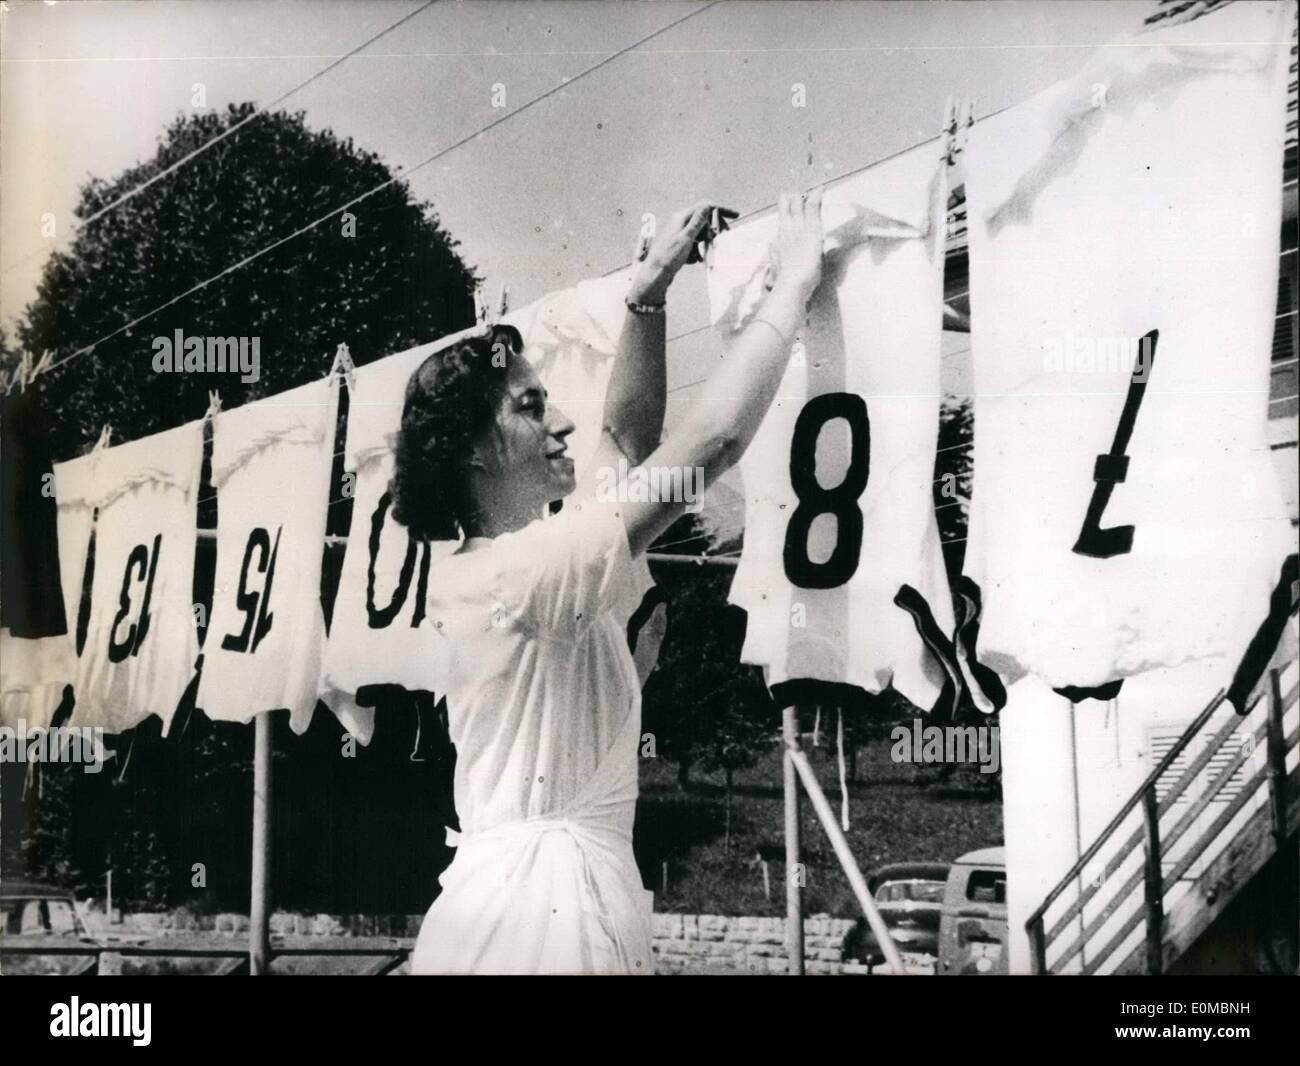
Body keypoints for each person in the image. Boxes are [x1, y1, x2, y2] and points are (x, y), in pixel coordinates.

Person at [395, 190, 826, 974]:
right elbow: (714, 441)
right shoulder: (515, 574)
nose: (561, 420)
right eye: (530, 407)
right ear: (476, 453)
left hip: (550, 898)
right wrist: (792, 288)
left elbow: (626, 439)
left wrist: (646, 299)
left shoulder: (526, 557)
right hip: (533, 920)